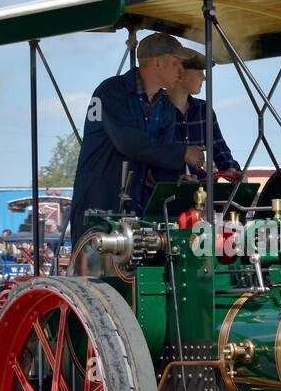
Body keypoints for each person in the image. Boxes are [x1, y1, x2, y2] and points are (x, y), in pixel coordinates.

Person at [69, 32, 205, 238]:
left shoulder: (166, 106)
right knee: (96, 270)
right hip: (97, 208)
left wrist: (179, 180)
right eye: (176, 62)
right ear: (157, 63)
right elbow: (130, 143)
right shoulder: (111, 91)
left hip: (136, 212)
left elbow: (160, 163)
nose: (181, 69)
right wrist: (182, 153)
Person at [155, 49, 239, 187]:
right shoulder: (155, 110)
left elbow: (218, 147)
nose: (204, 78)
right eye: (199, 72)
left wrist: (232, 170)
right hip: (163, 188)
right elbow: (151, 153)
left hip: (198, 187)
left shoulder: (204, 109)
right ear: (180, 74)